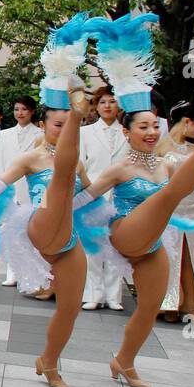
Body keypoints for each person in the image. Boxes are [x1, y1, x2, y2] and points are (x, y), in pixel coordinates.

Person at [81, 14, 194, 387]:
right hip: (124, 231)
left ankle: (124, 362)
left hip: (153, 242)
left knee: (150, 306)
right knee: (170, 190)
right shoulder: (120, 169)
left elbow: (188, 190)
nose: (151, 132)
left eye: (154, 126)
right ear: (126, 130)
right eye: (142, 126)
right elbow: (85, 198)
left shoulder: (166, 163)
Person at [0, 16, 94, 387]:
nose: (62, 130)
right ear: (45, 126)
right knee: (61, 174)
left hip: (67, 234)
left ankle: (49, 361)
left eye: (70, 123)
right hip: (38, 227)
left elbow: (86, 194)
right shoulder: (32, 158)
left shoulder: (75, 161)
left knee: (71, 306)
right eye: (59, 124)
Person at [156, 103, 194, 326]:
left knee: (193, 258)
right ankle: (169, 305)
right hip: (170, 207)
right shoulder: (160, 147)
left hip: (192, 207)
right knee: (171, 256)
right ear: (186, 122)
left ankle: (190, 307)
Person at [79, 86, 127, 310]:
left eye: (112, 101)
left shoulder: (127, 132)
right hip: (94, 195)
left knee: (117, 246)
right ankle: (93, 294)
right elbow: (80, 166)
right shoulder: (85, 133)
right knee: (93, 246)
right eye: (102, 102)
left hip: (122, 196)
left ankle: (114, 296)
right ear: (96, 107)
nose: (107, 106)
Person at [0, 95, 41, 289]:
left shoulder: (41, 134)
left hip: (32, 190)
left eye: (23, 109)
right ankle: (12, 272)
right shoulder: (5, 135)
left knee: (31, 235)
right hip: (10, 190)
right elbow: (0, 164)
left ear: (31, 111)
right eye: (16, 109)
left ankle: (28, 274)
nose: (19, 113)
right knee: (11, 233)